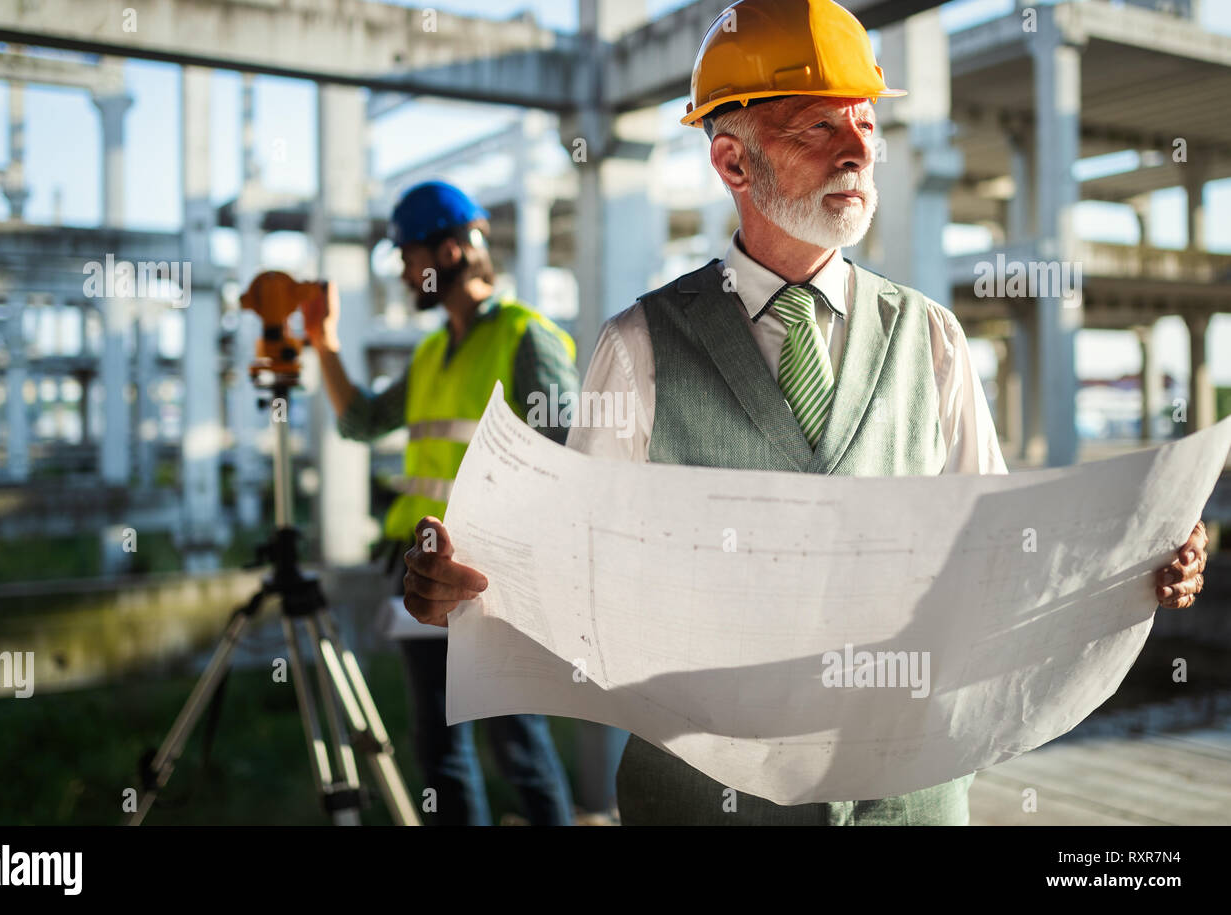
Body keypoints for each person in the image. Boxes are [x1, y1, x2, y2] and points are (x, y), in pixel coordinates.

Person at [397, 0, 1211, 825]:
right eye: (818, 128)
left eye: (864, 123)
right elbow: (571, 575)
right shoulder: (638, 347)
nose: (859, 150)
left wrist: (1137, 563)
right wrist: (460, 594)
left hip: (908, 801)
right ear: (733, 162)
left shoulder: (933, 338)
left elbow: (1000, 561)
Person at [303, 179, 577, 825]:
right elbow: (364, 420)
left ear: (449, 251)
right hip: (422, 578)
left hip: (492, 585)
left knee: (518, 746)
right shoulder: (431, 352)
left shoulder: (525, 337)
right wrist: (323, 343)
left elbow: (570, 464)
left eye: (408, 255)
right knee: (440, 750)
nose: (402, 270)